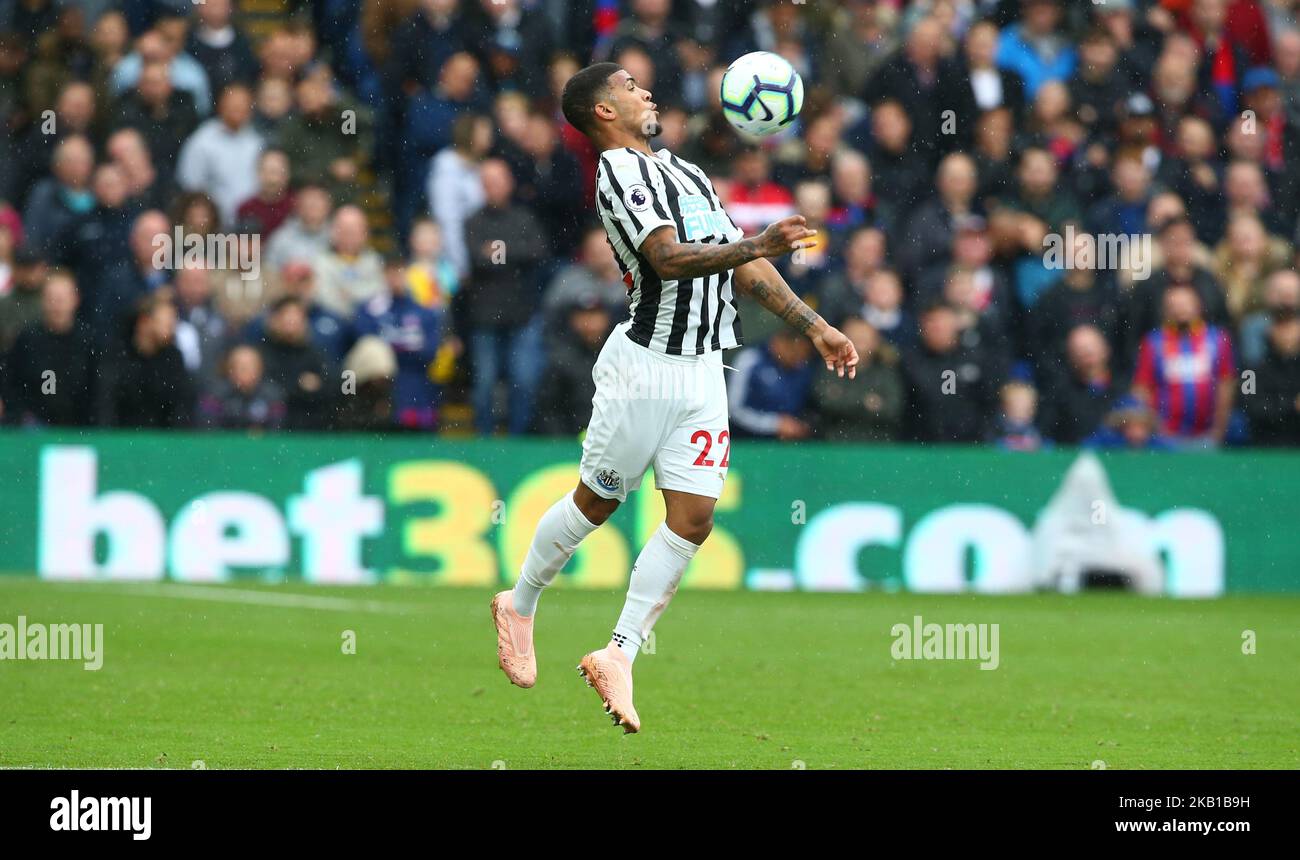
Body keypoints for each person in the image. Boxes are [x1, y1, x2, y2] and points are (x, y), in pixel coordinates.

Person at [490, 62, 857, 733]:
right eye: (630, 86)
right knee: (598, 502)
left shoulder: (686, 173)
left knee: (693, 520)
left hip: (703, 371)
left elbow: (744, 265)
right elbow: (666, 257)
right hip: (644, 367)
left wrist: (816, 326)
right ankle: (519, 603)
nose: (646, 91)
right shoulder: (618, 174)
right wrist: (755, 239)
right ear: (603, 111)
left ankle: (619, 653)